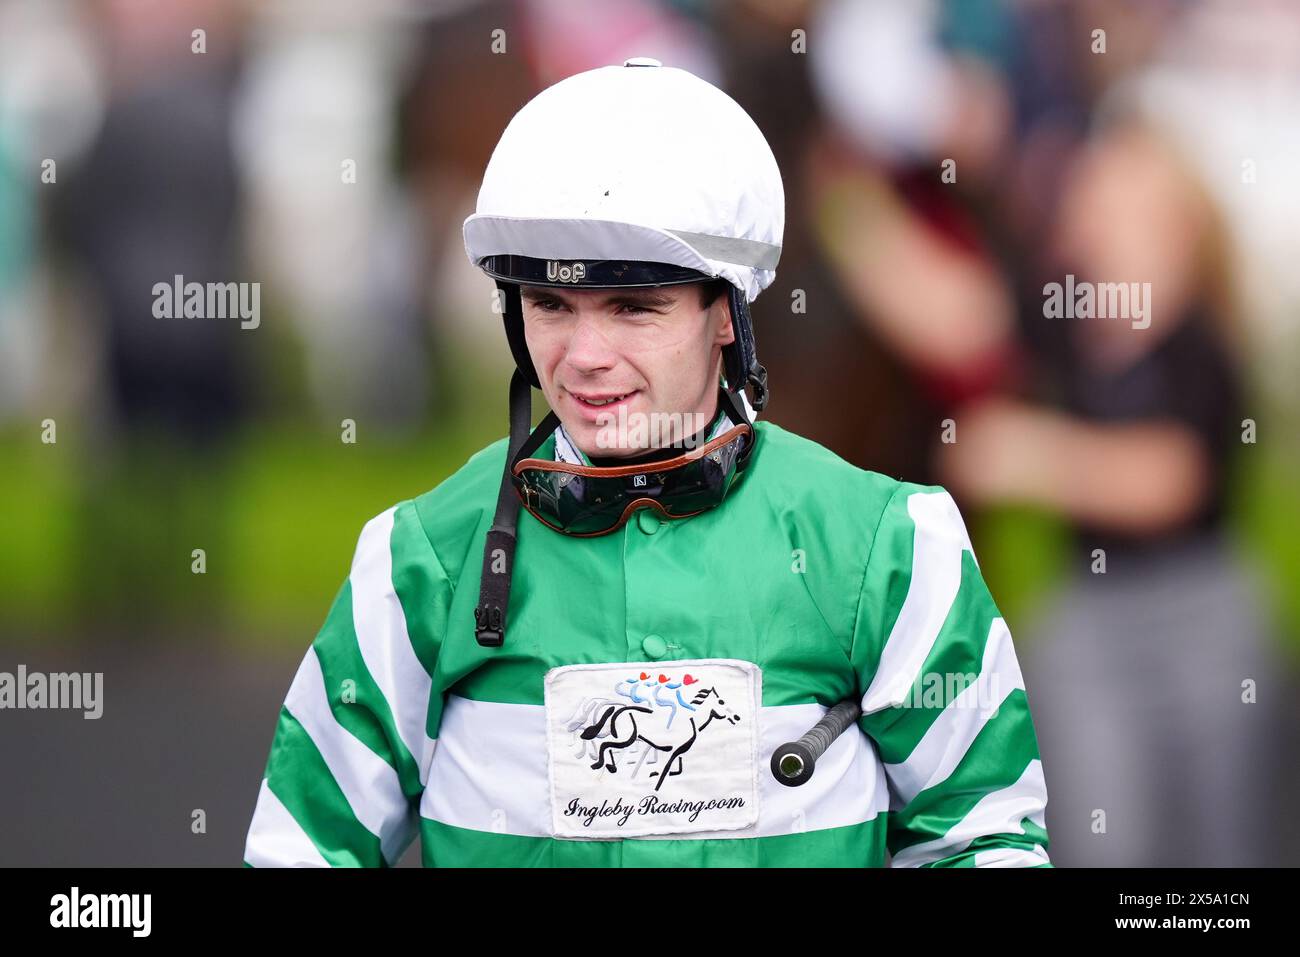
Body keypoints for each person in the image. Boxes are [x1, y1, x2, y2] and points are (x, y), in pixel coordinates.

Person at [242, 58, 1051, 868]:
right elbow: (302, 848)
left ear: (727, 317)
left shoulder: (890, 547)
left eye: (634, 307)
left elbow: (985, 838)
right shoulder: (420, 558)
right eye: (551, 304)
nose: (586, 356)